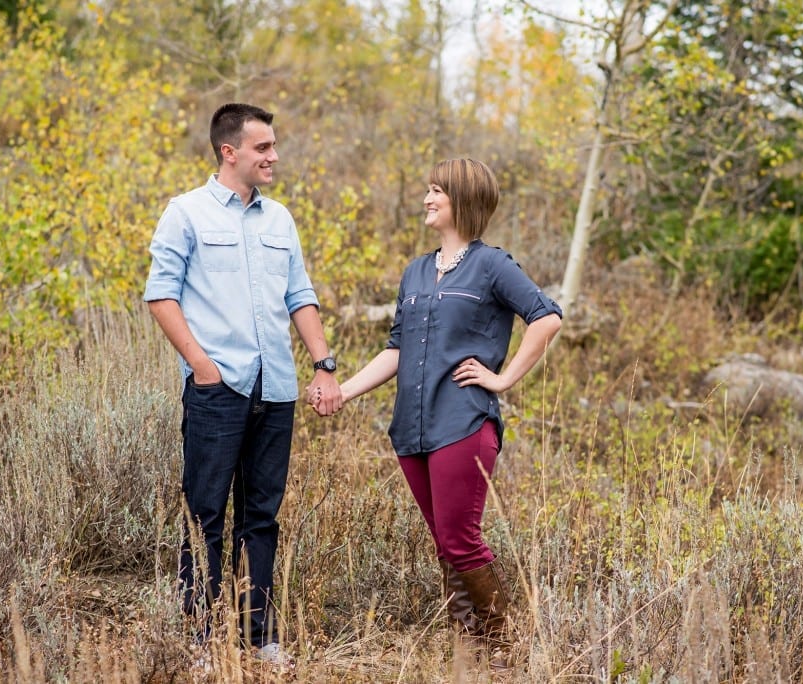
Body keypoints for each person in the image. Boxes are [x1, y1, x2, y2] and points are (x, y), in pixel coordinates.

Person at [310, 158, 561, 668]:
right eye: (428, 190)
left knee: (461, 541)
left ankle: (506, 654)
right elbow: (397, 350)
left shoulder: (492, 266)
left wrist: (503, 378)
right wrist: (345, 392)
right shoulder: (417, 271)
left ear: (462, 201)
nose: (427, 199)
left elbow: (547, 317)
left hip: (463, 425)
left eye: (437, 192)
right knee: (446, 545)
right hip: (412, 429)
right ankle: (468, 655)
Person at [144, 102, 342, 667]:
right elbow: (161, 295)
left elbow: (300, 296)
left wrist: (323, 365)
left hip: (276, 389)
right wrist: (201, 368)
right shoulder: (185, 214)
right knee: (204, 515)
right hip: (217, 390)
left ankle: (258, 638)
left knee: (261, 516)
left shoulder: (280, 220)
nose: (274, 156)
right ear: (229, 152)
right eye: (263, 148)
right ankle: (201, 641)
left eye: (274, 146)